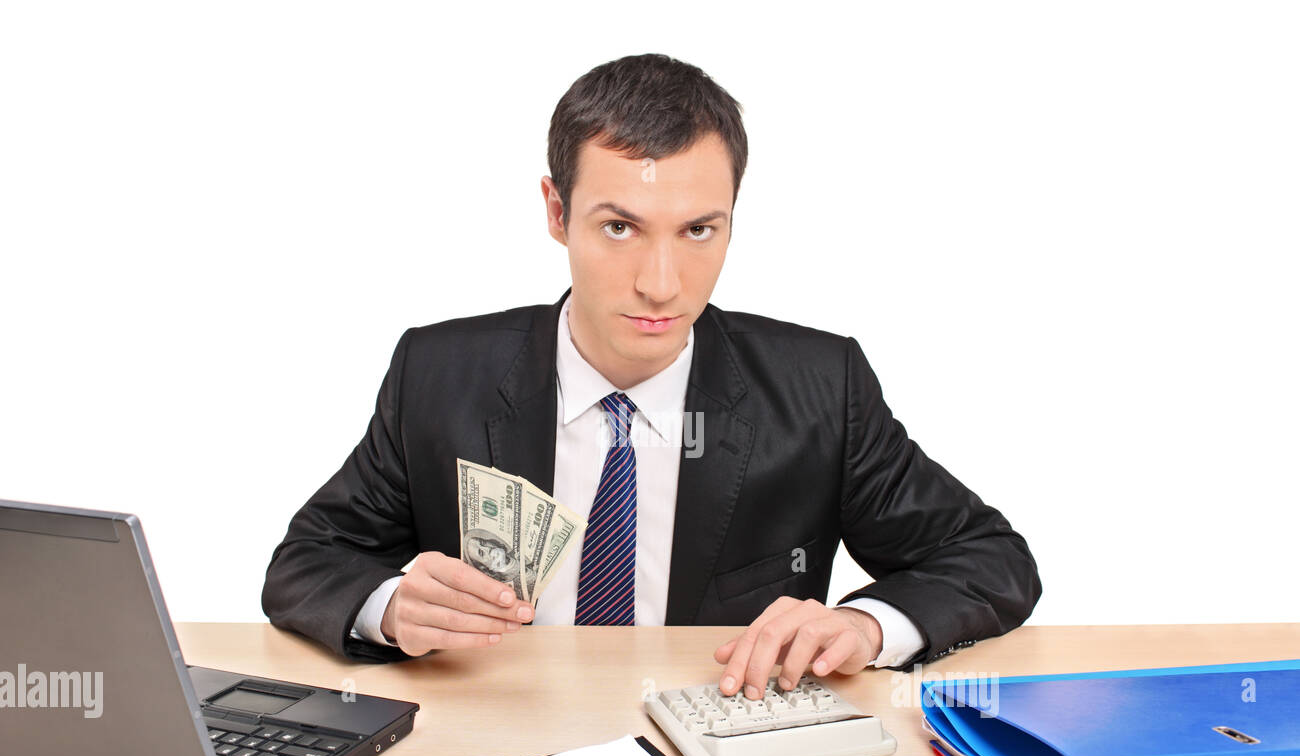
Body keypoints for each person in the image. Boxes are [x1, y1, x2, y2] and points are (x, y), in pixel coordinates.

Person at [261, 53, 1041, 700]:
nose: (662, 284)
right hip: (490, 742)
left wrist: (867, 627)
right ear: (556, 213)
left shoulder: (818, 389)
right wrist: (391, 607)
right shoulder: (438, 373)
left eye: (699, 229)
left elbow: (989, 557)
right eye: (619, 227)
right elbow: (307, 560)